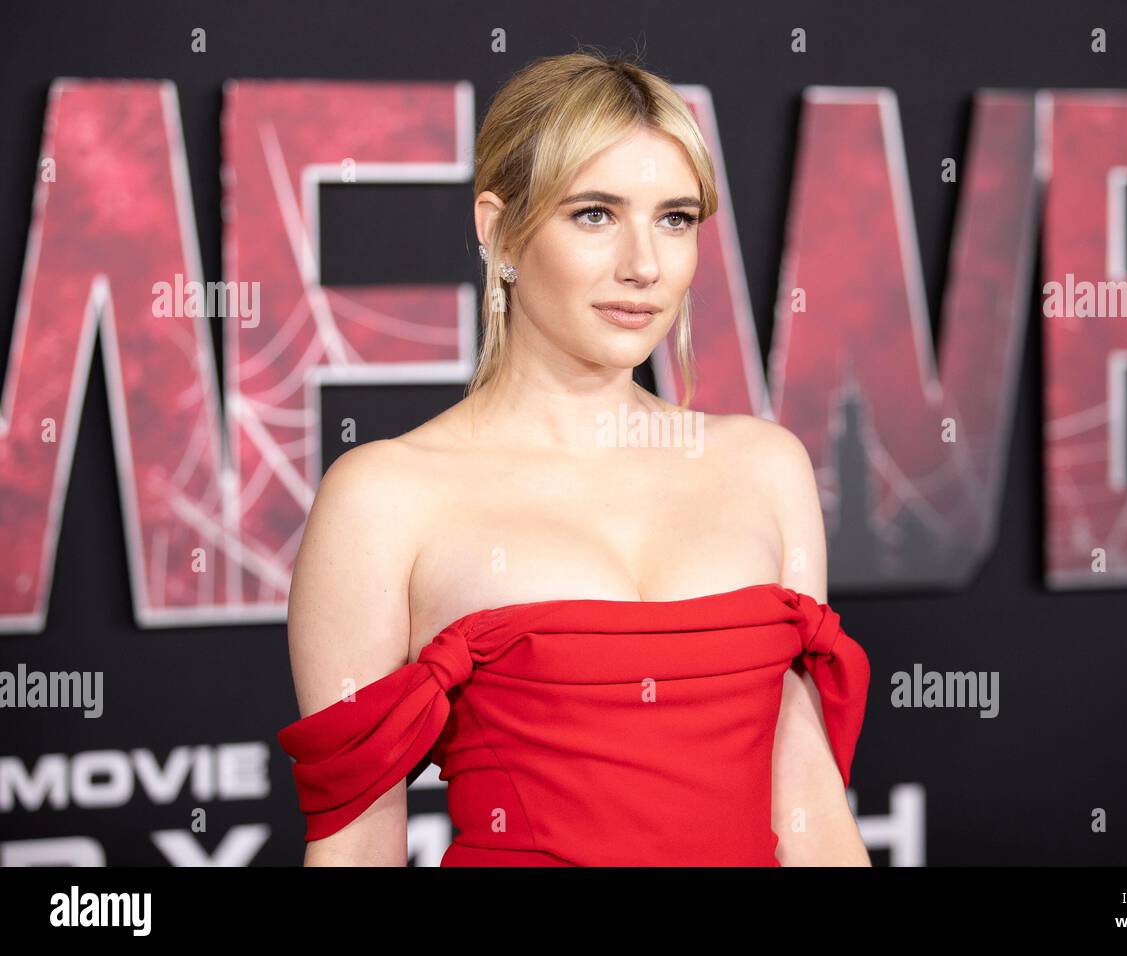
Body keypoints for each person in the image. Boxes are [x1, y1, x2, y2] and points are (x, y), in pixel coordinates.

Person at [277, 49, 871, 867]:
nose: (644, 266)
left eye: (676, 218)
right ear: (500, 231)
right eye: (595, 213)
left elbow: (808, 805)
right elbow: (355, 848)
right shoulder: (385, 496)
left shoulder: (766, 467)